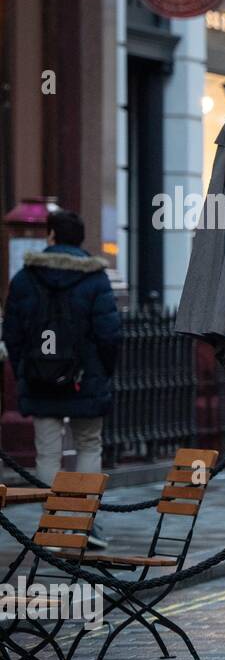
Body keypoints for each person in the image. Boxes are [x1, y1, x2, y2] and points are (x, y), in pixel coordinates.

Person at [2, 209, 121, 549]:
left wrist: (26, 365)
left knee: (48, 453)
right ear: (80, 239)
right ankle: (82, 523)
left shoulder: (26, 277)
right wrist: (102, 371)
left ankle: (53, 527)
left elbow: (12, 332)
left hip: (40, 377)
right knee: (88, 445)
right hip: (87, 376)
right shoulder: (95, 279)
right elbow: (110, 334)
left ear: (51, 236)